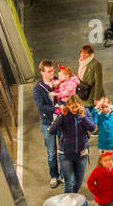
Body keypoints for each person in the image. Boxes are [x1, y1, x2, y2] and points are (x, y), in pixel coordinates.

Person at [49, 95, 95, 194]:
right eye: (72, 107)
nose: (75, 109)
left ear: (80, 105)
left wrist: (83, 117)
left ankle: (72, 200)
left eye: (77, 107)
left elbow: (92, 128)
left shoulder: (85, 112)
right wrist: (61, 116)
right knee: (69, 184)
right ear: (68, 106)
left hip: (81, 154)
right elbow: (52, 131)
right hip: (65, 154)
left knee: (78, 183)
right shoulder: (63, 115)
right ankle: (68, 205)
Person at [33, 60, 61, 188]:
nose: (52, 74)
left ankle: (65, 175)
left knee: (63, 150)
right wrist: (56, 109)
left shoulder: (59, 82)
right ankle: (54, 176)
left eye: (53, 71)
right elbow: (41, 106)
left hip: (62, 122)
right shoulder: (38, 88)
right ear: (42, 73)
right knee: (51, 153)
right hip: (47, 123)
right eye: (49, 71)